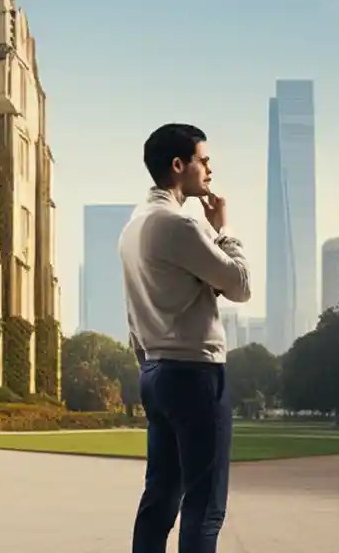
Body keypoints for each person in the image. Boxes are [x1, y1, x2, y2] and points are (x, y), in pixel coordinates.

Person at [119, 123, 251, 553]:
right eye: (203, 159)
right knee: (205, 507)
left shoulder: (133, 227)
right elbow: (240, 284)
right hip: (195, 373)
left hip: (155, 371)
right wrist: (223, 229)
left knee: (159, 498)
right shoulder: (181, 226)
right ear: (179, 165)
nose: (210, 168)